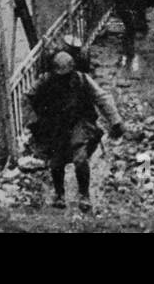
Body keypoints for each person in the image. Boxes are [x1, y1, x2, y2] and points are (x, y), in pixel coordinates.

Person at [26, 49, 125, 210]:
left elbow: (102, 98)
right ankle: (59, 194)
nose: (63, 79)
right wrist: (33, 121)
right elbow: (28, 98)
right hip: (56, 125)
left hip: (79, 122)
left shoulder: (82, 80)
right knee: (56, 162)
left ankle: (84, 195)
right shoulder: (46, 81)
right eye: (60, 75)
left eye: (66, 75)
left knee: (80, 159)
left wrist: (115, 121)